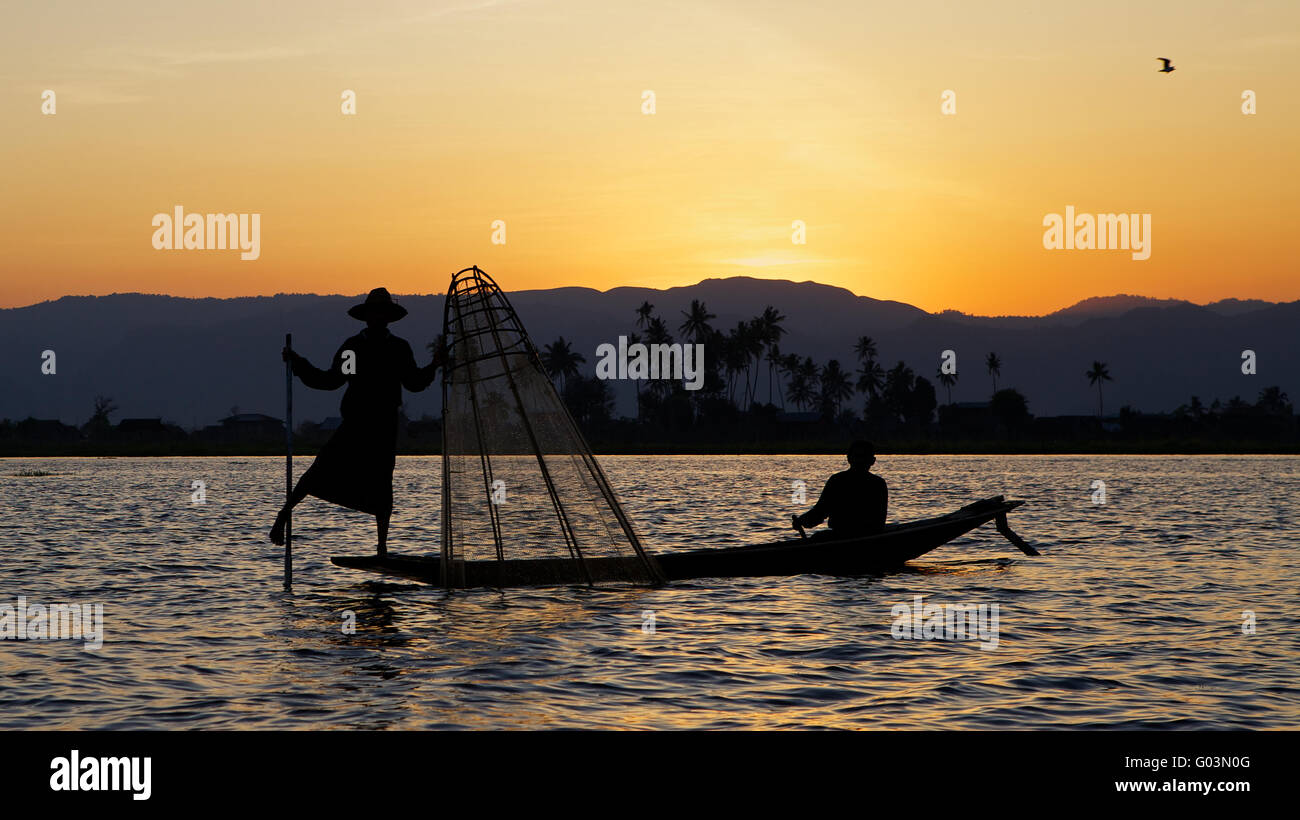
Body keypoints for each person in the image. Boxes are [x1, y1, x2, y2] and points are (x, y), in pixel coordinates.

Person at [269, 287, 446, 555]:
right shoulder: (354, 348)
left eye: (383, 314)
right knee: (322, 466)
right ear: (367, 317)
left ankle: (382, 547)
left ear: (388, 317)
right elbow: (331, 380)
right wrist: (298, 363)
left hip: (384, 424)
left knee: (382, 482)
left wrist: (434, 365)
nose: (378, 318)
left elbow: (414, 382)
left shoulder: (398, 348)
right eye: (375, 313)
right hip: (356, 422)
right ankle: (283, 516)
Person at [793, 440, 888, 539]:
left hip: (866, 535)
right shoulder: (837, 480)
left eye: (863, 457)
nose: (860, 461)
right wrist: (802, 521)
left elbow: (879, 521)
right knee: (818, 537)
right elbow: (820, 511)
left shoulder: (877, 483)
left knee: (818, 537)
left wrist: (803, 521)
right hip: (844, 534)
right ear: (849, 459)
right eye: (857, 456)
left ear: (872, 461)